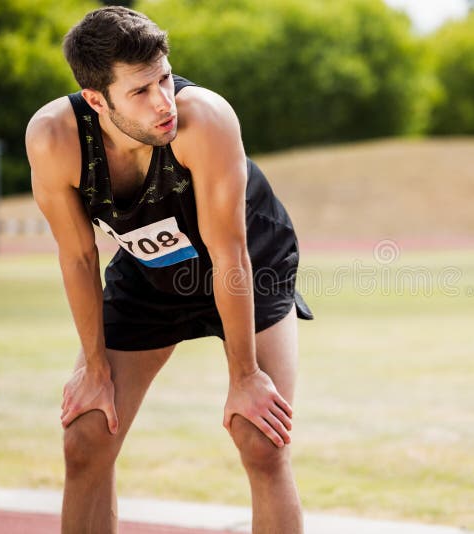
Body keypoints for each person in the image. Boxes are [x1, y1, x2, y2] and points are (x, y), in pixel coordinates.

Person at [25, 6, 313, 533]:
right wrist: (93, 367)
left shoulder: (204, 120)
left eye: (164, 78)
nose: (163, 103)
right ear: (96, 100)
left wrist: (245, 378)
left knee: (261, 439)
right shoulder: (54, 140)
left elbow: (230, 254)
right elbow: (79, 256)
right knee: (87, 435)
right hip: (150, 270)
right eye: (139, 91)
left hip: (247, 262)